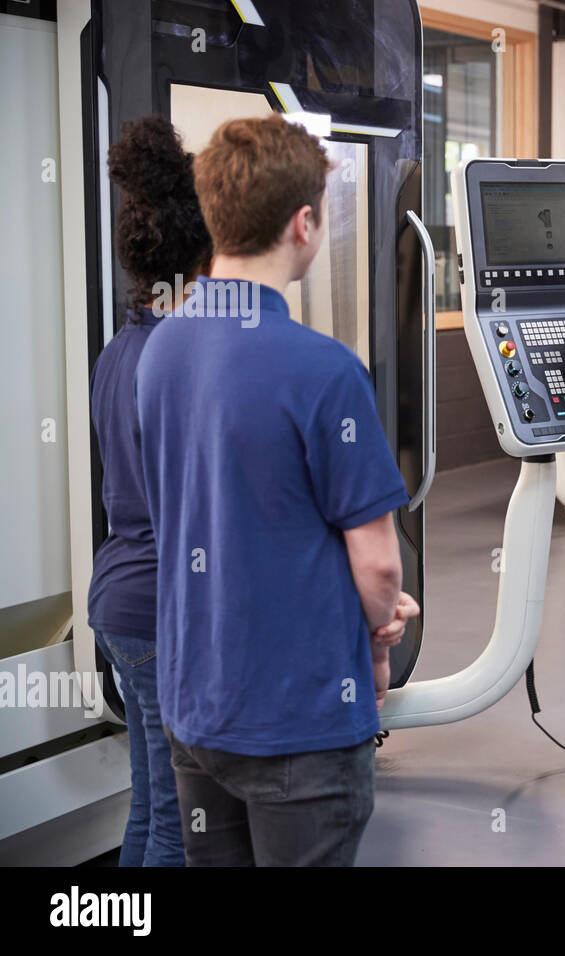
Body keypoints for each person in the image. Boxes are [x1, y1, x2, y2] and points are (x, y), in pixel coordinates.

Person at [135, 114, 418, 866]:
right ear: (304, 222)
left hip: (195, 708)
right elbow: (381, 568)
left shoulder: (159, 349)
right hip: (301, 721)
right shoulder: (325, 372)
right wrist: (384, 627)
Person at [87, 115, 212, 867]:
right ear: (197, 262)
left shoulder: (121, 348)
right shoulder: (178, 359)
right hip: (160, 608)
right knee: (176, 820)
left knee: (148, 804)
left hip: (118, 603)